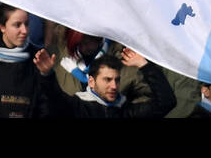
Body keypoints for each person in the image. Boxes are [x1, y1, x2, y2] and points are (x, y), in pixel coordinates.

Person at [41, 47, 177, 118]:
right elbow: (54, 98)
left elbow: (166, 102)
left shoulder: (126, 111)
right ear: (91, 82)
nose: (114, 86)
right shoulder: (76, 107)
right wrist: (47, 74)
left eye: (117, 80)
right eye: (107, 80)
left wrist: (144, 65)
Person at [0, 3, 52, 118]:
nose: (25, 31)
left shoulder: (36, 57)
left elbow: (46, 103)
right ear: (2, 27)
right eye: (17, 25)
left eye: (27, 24)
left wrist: (46, 75)